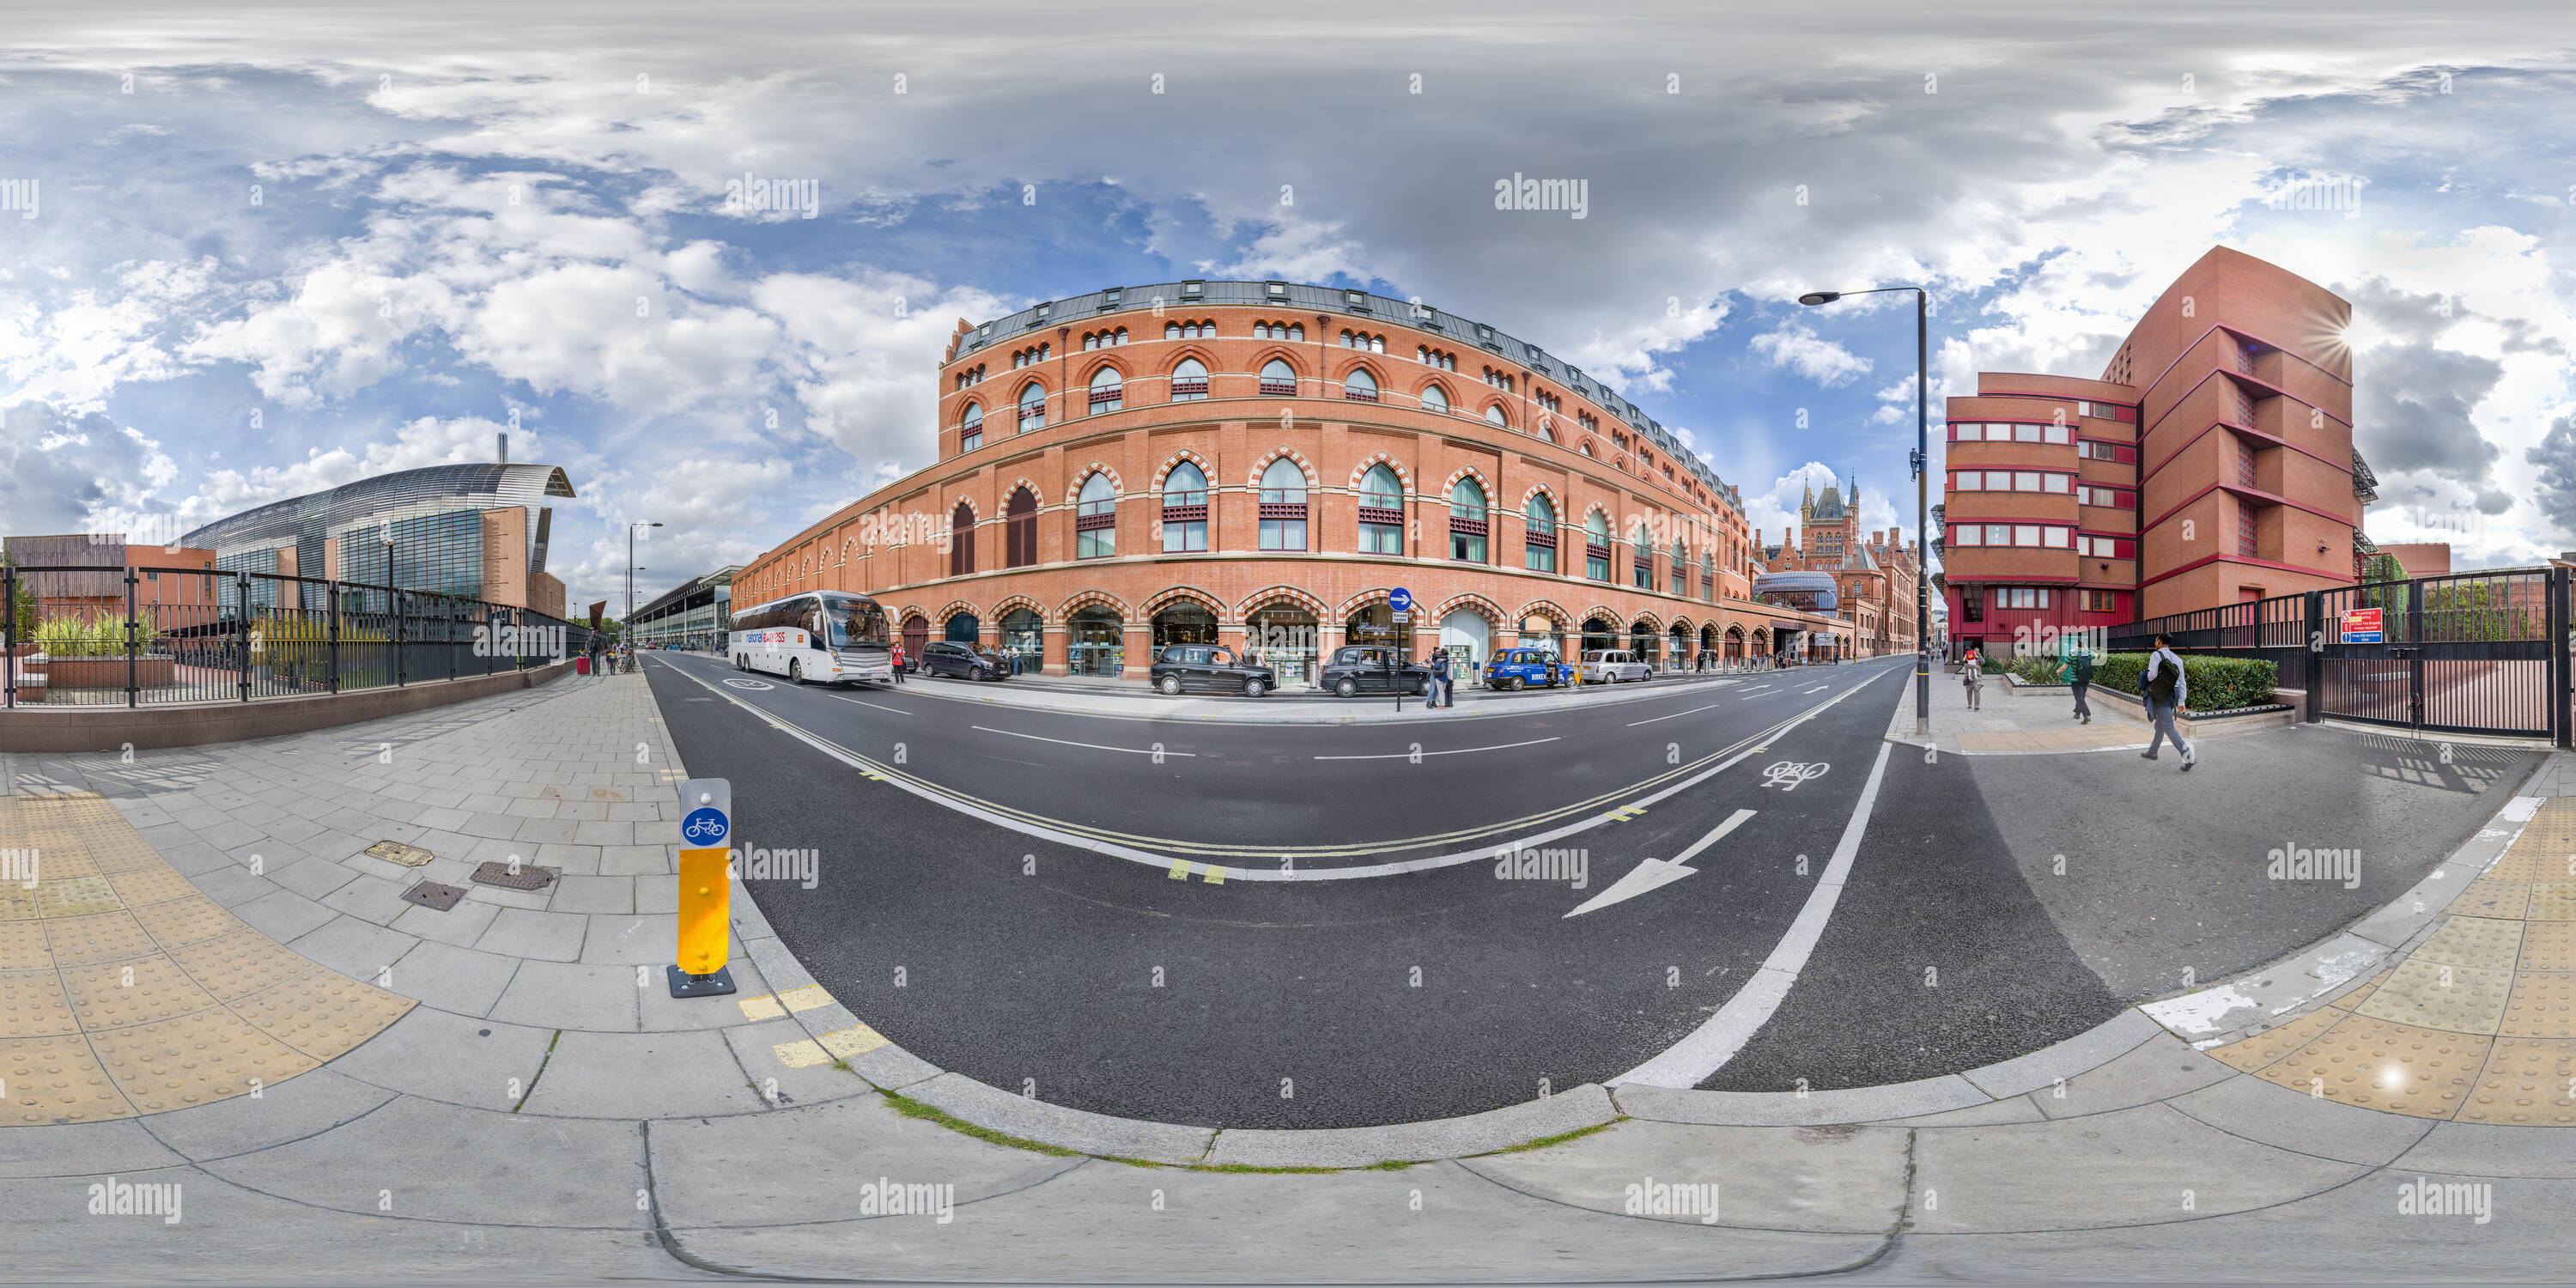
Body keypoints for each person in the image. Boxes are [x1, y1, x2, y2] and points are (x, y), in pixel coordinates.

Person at [2142, 633, 2195, 770]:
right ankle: (2153, 751)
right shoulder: (2177, 658)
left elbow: (2152, 675)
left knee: (2169, 727)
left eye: (2156, 640)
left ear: (2159, 641)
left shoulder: (2156, 655)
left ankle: (2188, 756)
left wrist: (2145, 675)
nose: (2155, 642)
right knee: (2160, 725)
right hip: (2173, 693)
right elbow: (2182, 681)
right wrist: (2181, 701)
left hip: (2161, 694)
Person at [2063, 649, 2095, 724]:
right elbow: (2097, 656)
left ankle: (2086, 716)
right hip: (2086, 680)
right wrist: (2088, 650)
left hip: (2076, 681)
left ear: (2077, 645)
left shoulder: (2072, 654)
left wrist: (2059, 671)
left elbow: (2065, 666)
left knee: (2079, 698)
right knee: (2081, 697)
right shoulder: (2088, 653)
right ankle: (2077, 713)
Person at [1960, 645, 1983, 711]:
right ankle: (1969, 704)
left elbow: (1983, 662)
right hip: (1969, 676)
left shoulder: (1977, 656)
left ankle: (1976, 706)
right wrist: (1975, 667)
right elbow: (1966, 665)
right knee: (1969, 690)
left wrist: (1979, 654)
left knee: (1977, 690)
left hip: (1976, 676)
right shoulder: (1966, 657)